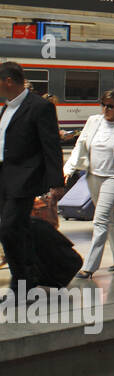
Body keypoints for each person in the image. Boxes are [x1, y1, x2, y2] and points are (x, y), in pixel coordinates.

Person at [0, 62, 64, 292]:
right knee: (18, 230)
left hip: (24, 179)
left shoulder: (39, 107)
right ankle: (30, 278)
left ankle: (21, 282)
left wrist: (57, 182)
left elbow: (51, 146)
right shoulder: (5, 109)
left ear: (8, 81)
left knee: (9, 228)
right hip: (4, 178)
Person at [63, 90, 114, 277]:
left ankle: (89, 266)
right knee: (110, 218)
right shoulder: (93, 121)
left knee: (100, 219)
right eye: (103, 105)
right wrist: (68, 168)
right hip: (93, 175)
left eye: (110, 106)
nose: (106, 109)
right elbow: (80, 145)